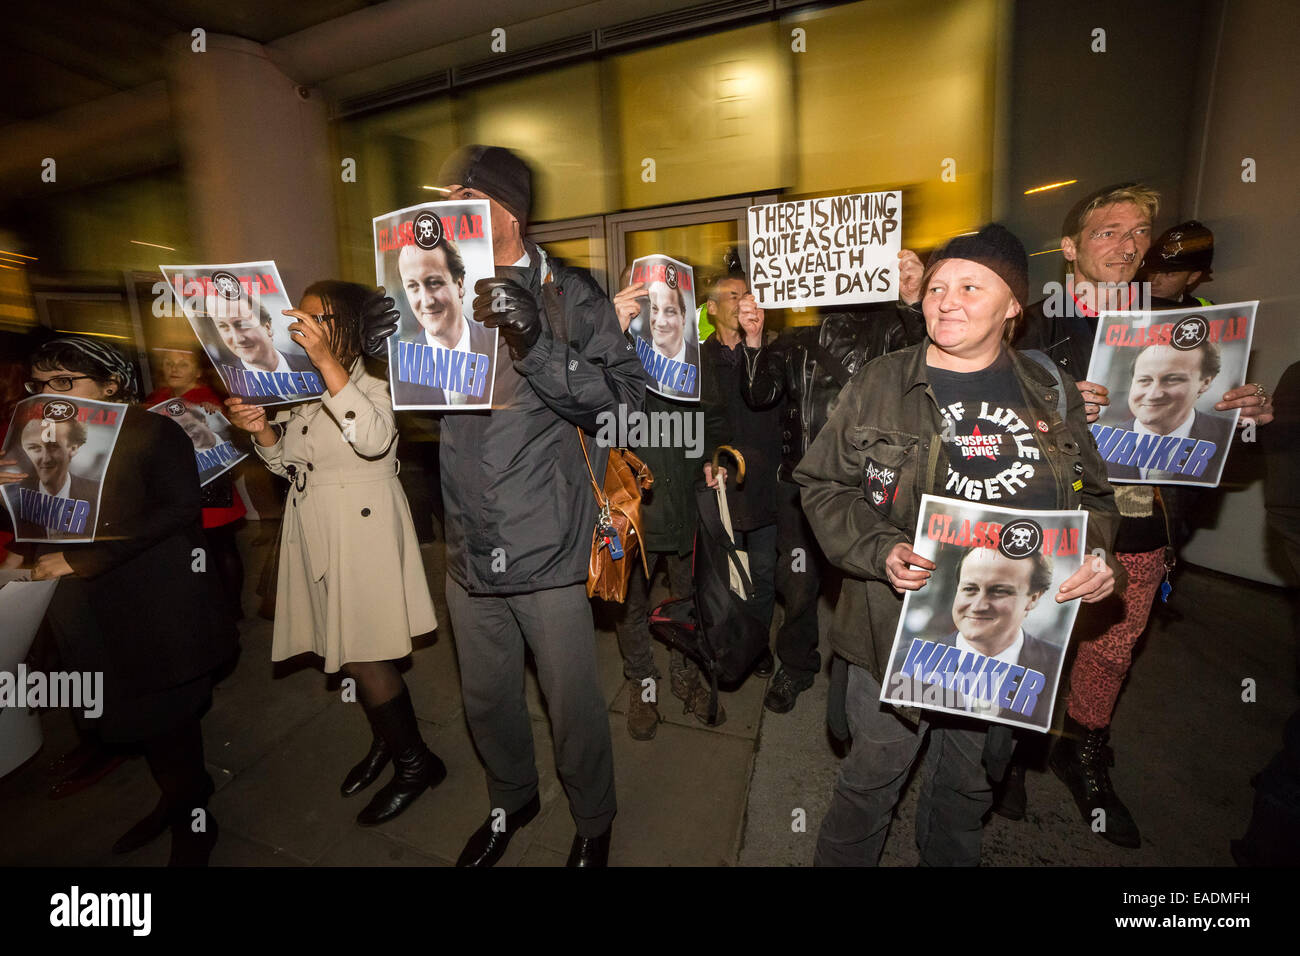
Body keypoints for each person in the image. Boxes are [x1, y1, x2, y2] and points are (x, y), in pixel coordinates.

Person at [795, 224, 1119, 866]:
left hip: (1003, 648)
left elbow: (1094, 498)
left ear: (1013, 306)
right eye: (938, 287)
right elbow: (821, 484)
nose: (946, 300)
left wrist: (1098, 556)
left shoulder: (1050, 392)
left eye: (970, 286)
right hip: (893, 634)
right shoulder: (880, 383)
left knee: (967, 790)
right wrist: (879, 548)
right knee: (870, 785)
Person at [388, 144, 646, 867]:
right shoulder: (437, 283)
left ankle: (594, 820)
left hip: (549, 545)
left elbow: (626, 405)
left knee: (572, 705)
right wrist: (394, 352)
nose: (441, 211)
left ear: (504, 210)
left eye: (458, 196)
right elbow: (431, 412)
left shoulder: (570, 294)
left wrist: (536, 342)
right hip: (468, 544)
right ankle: (512, 799)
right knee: (487, 699)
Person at [1013, 183, 1274, 845]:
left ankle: (1084, 753)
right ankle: (1010, 753)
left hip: (1141, 521)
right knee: (1026, 637)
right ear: (1070, 247)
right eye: (1109, 231)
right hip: (1047, 514)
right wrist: (1055, 412)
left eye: (1138, 234)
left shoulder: (1182, 324)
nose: (1128, 246)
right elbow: (978, 426)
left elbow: (1212, 444)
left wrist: (1242, 418)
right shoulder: (1027, 322)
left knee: (1110, 650)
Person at [0, 335, 236, 865]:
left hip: (154, 604)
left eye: (65, 382)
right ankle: (176, 801)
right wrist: (8, 496)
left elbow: (179, 509)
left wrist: (85, 561)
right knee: (134, 721)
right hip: (87, 609)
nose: (49, 395)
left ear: (112, 384)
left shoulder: (154, 431)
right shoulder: (38, 435)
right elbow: (34, 517)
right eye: (41, 385)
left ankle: (194, 819)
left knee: (169, 722)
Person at [225, 280, 444, 826]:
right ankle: (388, 743)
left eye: (318, 317)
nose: (303, 323)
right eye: (301, 314)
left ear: (344, 325)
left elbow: (371, 440)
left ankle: (418, 765)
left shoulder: (373, 381)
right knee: (351, 646)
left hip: (361, 531)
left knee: (364, 653)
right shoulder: (300, 386)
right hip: (316, 528)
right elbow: (289, 469)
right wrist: (263, 433)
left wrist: (327, 366)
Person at [741, 249, 927, 714]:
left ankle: (862, 681)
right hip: (804, 487)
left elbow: (929, 365)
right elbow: (759, 394)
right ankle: (797, 665)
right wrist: (754, 338)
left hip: (872, 488)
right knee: (799, 584)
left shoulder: (890, 329)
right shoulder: (795, 338)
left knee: (868, 586)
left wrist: (912, 300)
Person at [611, 269, 714, 738]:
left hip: (685, 507)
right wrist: (612, 334)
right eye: (652, 312)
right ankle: (642, 686)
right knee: (630, 606)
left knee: (687, 602)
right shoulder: (619, 358)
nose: (662, 320)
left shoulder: (697, 362)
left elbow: (716, 420)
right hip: (636, 511)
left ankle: (685, 676)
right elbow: (592, 400)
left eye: (671, 309)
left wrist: (716, 458)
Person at [699, 269, 781, 674]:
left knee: (764, 572)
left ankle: (758, 643)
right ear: (712, 309)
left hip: (764, 484)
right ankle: (726, 638)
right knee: (728, 571)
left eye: (747, 294)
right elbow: (691, 420)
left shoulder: (773, 352)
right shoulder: (696, 360)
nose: (742, 301)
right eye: (732, 296)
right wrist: (703, 458)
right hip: (721, 486)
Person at [143, 346, 248, 622]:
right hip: (176, 492)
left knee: (222, 549)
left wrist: (218, 416)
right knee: (193, 551)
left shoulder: (209, 400)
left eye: (183, 364)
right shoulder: (155, 401)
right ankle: (207, 603)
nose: (174, 368)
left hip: (211, 491)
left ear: (198, 371)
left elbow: (234, 438)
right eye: (169, 363)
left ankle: (231, 607)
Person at [927, 547, 1058, 725]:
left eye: (999, 591)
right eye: (969, 588)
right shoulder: (903, 666)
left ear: (1033, 599)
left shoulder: (1059, 671)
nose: (978, 606)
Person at [1106, 341, 1234, 481]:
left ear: (1205, 382)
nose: (1153, 394)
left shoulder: (1231, 436)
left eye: (1172, 380)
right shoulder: (1097, 443)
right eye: (1144, 380)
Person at [394, 237, 495, 405]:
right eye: (412, 286)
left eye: (434, 283)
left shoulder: (499, 346)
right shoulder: (399, 369)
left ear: (460, 284)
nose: (426, 301)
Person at [203, 293, 320, 399]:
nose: (237, 339)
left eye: (242, 324)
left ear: (267, 328)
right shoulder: (225, 387)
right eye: (223, 327)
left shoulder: (314, 365)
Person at [12, 416, 100, 540]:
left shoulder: (98, 492)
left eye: (54, 446)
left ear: (73, 449)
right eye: (34, 448)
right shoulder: (13, 494)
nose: (46, 459)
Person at [642, 277, 700, 399]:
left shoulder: (704, 360)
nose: (660, 322)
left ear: (683, 316)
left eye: (669, 311)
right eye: (655, 309)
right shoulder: (633, 358)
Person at [1139, 220, 1215, 306]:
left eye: (1169, 273)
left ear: (1192, 277)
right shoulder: (1126, 304)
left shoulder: (1203, 311)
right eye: (1152, 271)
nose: (1154, 281)